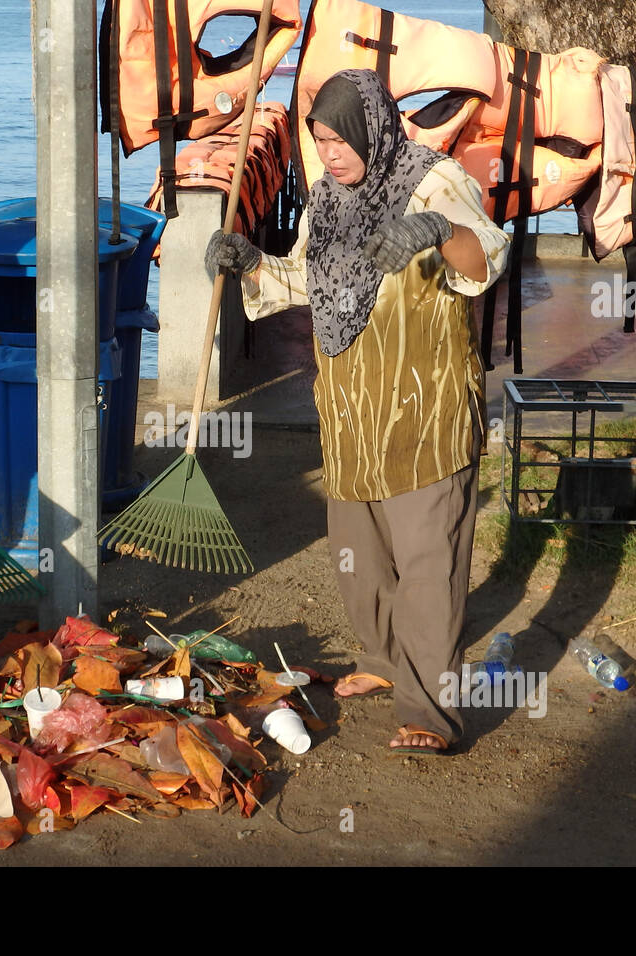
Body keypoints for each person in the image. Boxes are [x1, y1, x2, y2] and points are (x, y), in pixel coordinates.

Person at [206, 69, 509, 755]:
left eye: (342, 138)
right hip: (349, 416)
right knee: (360, 564)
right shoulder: (329, 199)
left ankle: (432, 714)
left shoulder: (436, 182)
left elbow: (487, 257)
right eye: (319, 139)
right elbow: (303, 279)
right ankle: (380, 660)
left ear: (373, 127)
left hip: (423, 415)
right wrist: (249, 261)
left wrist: (436, 230)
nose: (332, 152)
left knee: (428, 570)